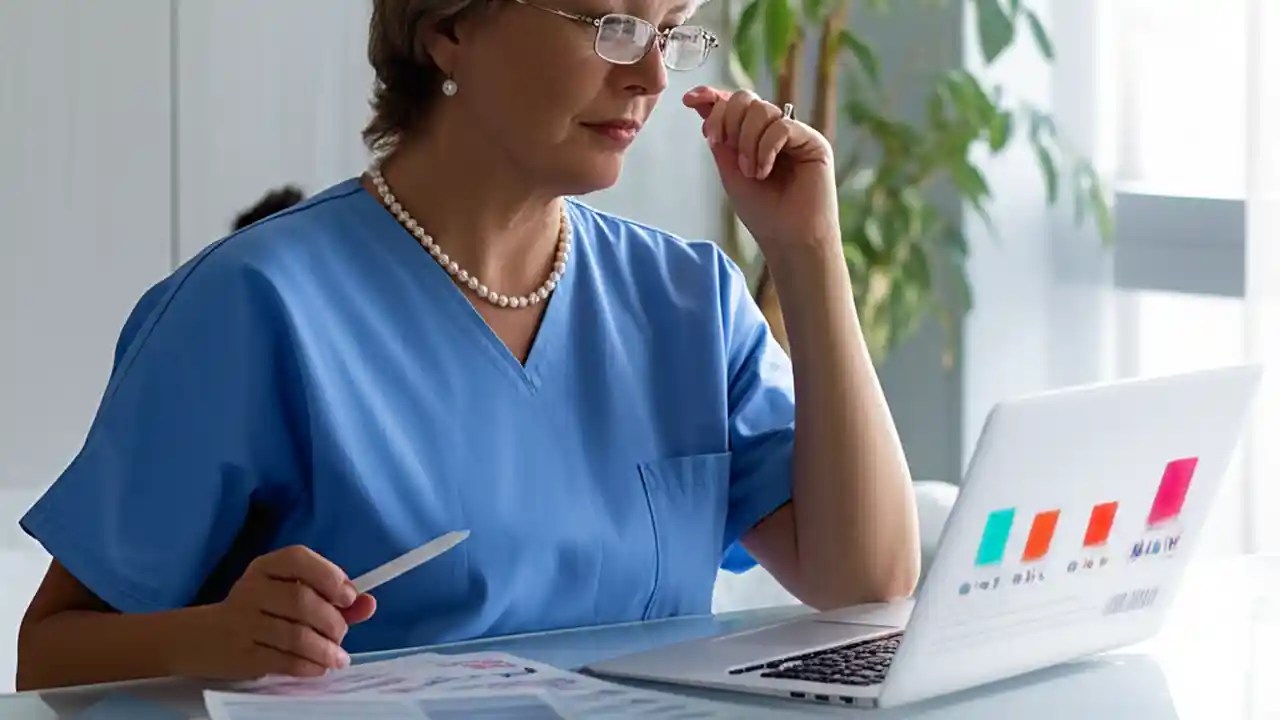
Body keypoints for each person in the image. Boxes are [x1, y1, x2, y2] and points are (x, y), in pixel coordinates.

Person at [15, 0, 920, 691]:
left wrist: (806, 251)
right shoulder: (252, 307)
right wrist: (214, 639)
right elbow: (49, 656)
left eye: (673, 30)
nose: (650, 75)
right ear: (450, 30)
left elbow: (867, 580)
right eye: (609, 25)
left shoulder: (689, 299)